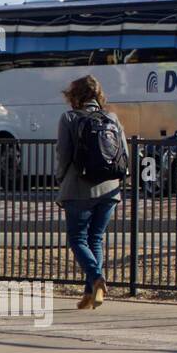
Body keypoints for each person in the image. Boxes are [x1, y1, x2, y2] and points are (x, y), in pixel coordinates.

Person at [56, 75, 129, 310]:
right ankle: (90, 293)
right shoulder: (112, 118)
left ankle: (97, 279)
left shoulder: (69, 118)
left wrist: (59, 179)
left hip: (79, 189)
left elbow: (63, 155)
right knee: (95, 238)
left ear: (74, 96)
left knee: (77, 238)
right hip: (110, 189)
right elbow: (124, 154)